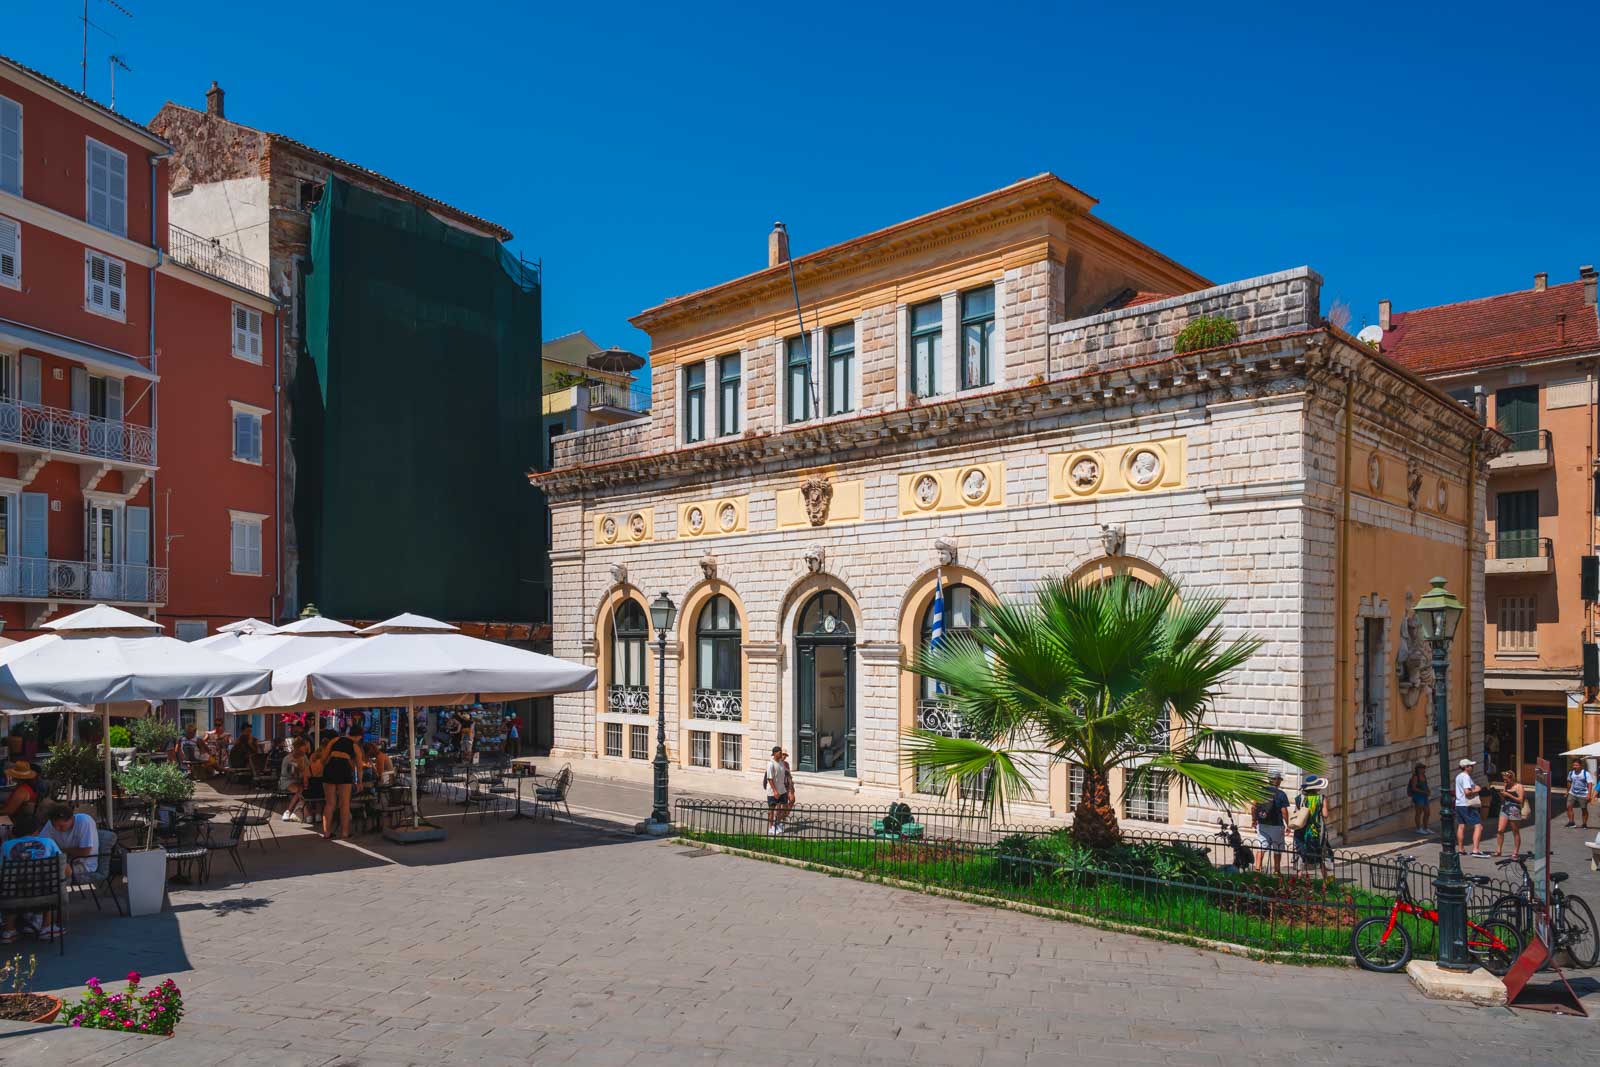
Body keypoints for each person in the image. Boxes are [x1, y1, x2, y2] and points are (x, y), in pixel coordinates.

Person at [0, 812, 64, 943]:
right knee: (50, 880)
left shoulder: (6, 846)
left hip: (14, 895)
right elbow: (65, 870)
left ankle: (9, 930)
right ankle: (46, 927)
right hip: (44, 894)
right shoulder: (48, 842)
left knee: (9, 883)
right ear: (36, 831)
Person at [320, 722, 365, 840]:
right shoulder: (355, 746)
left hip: (330, 768)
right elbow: (359, 766)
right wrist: (359, 782)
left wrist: (329, 764)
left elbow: (323, 758)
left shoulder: (334, 740)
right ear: (359, 736)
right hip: (344, 770)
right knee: (344, 804)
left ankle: (326, 833)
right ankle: (345, 833)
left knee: (329, 803)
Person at [40, 802, 97, 878]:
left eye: (61, 826)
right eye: (54, 825)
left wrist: (61, 851)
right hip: (61, 861)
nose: (57, 828)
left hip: (83, 864)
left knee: (51, 873)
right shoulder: (52, 823)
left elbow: (85, 852)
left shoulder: (84, 821)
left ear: (71, 818)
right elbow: (41, 844)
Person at [1251, 771, 1291, 873]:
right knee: (1277, 849)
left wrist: (1254, 820)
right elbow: (1284, 811)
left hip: (1262, 824)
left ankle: (1257, 870)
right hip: (1276, 825)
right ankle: (1277, 872)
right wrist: (1288, 825)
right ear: (1277, 781)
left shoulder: (1260, 792)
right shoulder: (1281, 794)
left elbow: (1253, 807)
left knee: (1261, 847)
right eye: (1280, 780)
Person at [1289, 775, 1329, 872]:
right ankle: (1324, 882)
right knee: (1321, 856)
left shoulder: (1299, 798)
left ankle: (1300, 879)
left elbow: (1297, 813)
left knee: (1301, 855)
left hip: (1301, 830)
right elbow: (1325, 814)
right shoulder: (1321, 798)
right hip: (1316, 831)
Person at [1455, 757, 1487, 856]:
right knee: (1478, 826)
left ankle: (1461, 849)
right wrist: (1477, 789)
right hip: (1467, 804)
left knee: (1461, 826)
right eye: (1471, 766)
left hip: (1459, 804)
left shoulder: (1458, 776)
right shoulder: (1465, 777)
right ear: (1466, 767)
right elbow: (1467, 792)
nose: (1472, 767)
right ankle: (1475, 850)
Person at [1495, 770, 1526, 858]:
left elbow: (1520, 800)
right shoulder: (1506, 785)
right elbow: (1503, 799)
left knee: (1515, 830)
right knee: (1500, 830)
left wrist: (1508, 795)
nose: (1505, 781)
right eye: (1504, 780)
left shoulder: (1518, 786)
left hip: (1514, 809)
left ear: (1512, 778)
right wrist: (1502, 795)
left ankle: (1516, 851)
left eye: (1506, 779)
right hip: (1505, 807)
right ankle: (1498, 850)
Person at [278, 738, 310, 822]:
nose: (303, 753)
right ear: (296, 749)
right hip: (287, 780)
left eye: (304, 751)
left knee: (303, 789)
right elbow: (292, 774)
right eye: (301, 751)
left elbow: (306, 770)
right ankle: (291, 811)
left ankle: (302, 812)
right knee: (300, 790)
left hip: (299, 780)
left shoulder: (304, 757)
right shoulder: (288, 759)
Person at [764, 745, 790, 835]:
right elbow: (770, 779)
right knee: (772, 809)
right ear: (775, 753)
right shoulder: (771, 764)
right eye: (780, 753)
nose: (781, 754)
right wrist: (775, 791)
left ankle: (778, 823)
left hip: (782, 790)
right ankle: (770, 827)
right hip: (773, 792)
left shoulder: (781, 763)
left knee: (783, 808)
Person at [1406, 764, 1432, 835]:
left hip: (1424, 796)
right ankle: (1418, 828)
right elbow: (1414, 788)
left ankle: (1425, 828)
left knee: (1427, 812)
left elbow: (1426, 784)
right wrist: (1424, 792)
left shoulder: (1424, 776)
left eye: (1424, 768)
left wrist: (1428, 791)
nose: (1423, 770)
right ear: (1418, 769)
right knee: (1419, 813)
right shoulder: (1415, 777)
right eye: (1422, 768)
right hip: (1418, 796)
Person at [1567, 760, 1593, 829]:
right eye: (1573, 765)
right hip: (1572, 793)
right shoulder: (1571, 773)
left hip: (1583, 794)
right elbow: (1569, 782)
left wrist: (1589, 794)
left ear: (1580, 765)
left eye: (1576, 765)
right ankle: (1571, 822)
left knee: (1583, 809)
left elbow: (1589, 784)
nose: (1574, 767)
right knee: (1569, 806)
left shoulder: (1585, 773)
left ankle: (1584, 824)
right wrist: (1567, 791)